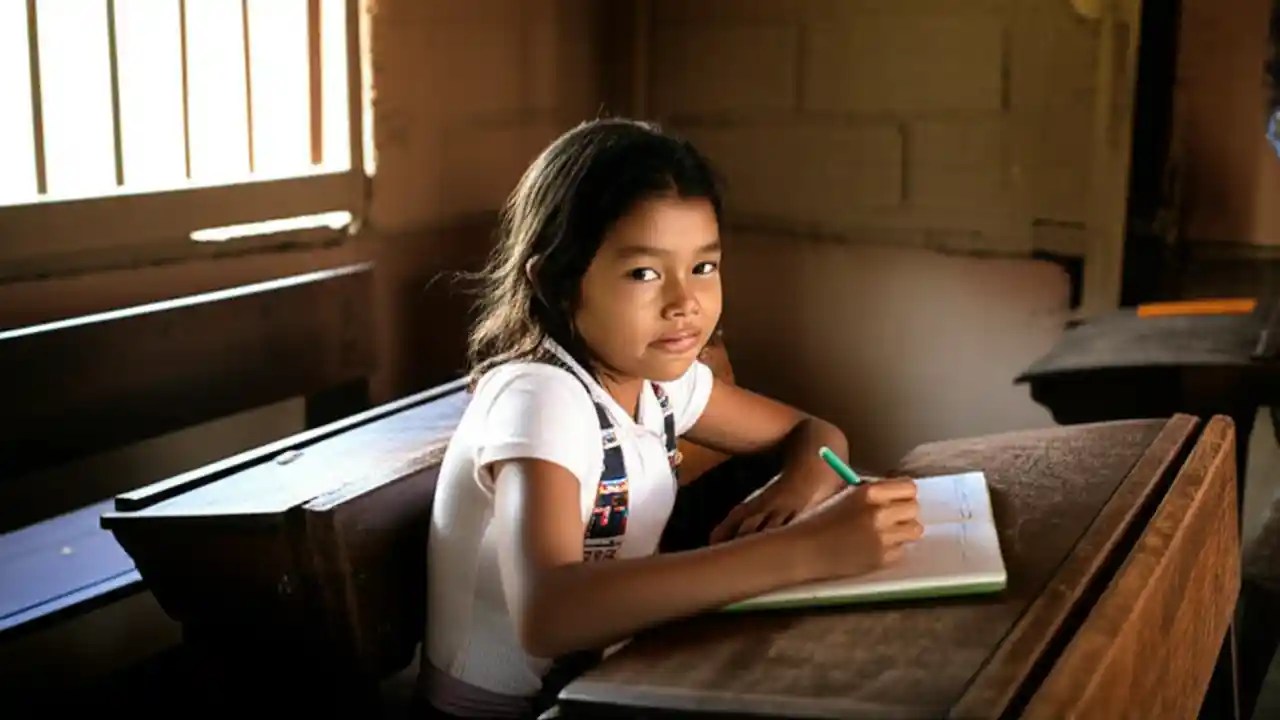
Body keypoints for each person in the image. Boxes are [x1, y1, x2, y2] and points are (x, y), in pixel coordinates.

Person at [419, 118, 923, 718]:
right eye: (644, 273)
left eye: (704, 267)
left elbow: (813, 433)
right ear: (555, 281)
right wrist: (808, 549)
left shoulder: (660, 385)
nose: (685, 302)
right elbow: (548, 613)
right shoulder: (540, 395)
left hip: (605, 685)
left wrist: (799, 486)